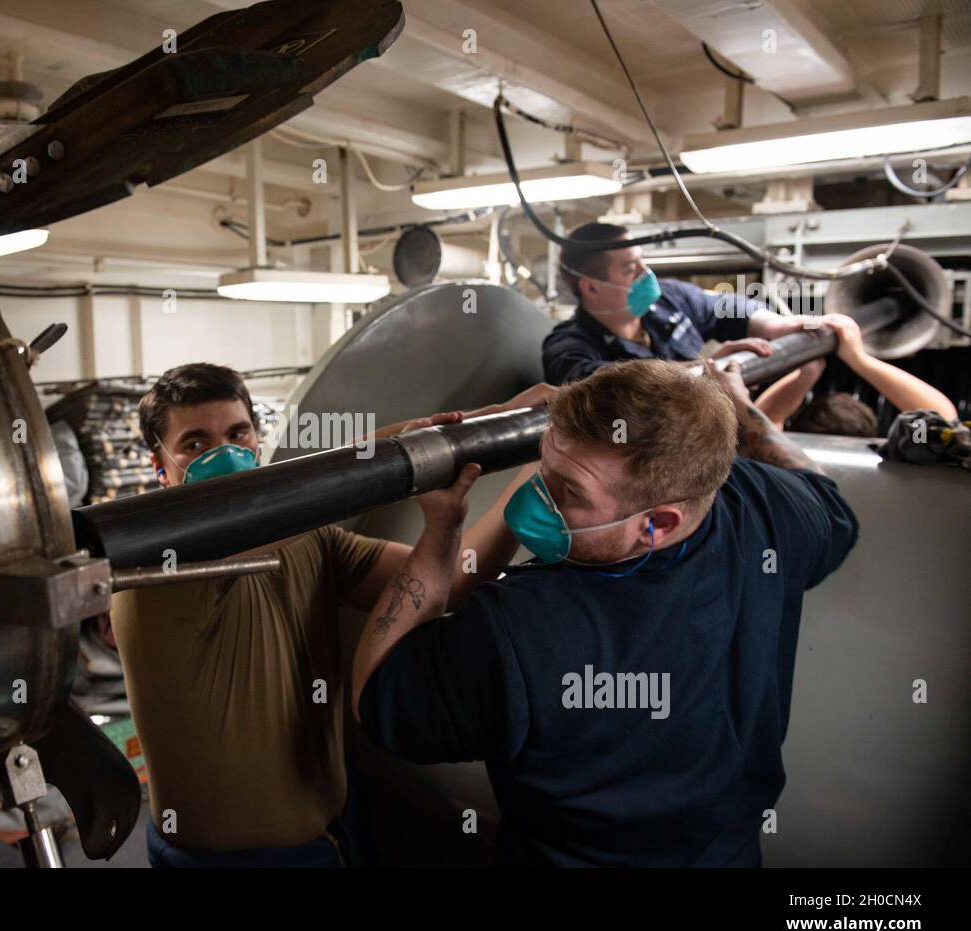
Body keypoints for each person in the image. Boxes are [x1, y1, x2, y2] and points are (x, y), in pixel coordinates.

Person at [351, 358, 860, 866]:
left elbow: (377, 696)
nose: (536, 494)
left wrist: (442, 530)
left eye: (568, 491)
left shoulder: (522, 626)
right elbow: (826, 497)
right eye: (540, 463)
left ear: (657, 522)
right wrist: (744, 410)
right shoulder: (764, 506)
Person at [107, 362, 556, 867]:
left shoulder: (312, 543)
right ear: (158, 467)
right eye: (195, 444)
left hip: (333, 836)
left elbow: (448, 583)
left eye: (237, 433)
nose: (224, 454)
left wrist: (532, 475)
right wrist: (484, 420)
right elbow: (321, 488)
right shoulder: (150, 565)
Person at [542, 222, 812, 385]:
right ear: (590, 287)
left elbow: (727, 306)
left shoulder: (670, 299)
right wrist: (700, 371)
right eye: (630, 268)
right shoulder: (568, 346)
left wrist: (774, 325)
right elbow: (605, 386)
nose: (645, 273)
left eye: (642, 260)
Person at [753, 313, 958, 434]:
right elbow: (943, 423)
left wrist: (806, 373)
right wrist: (859, 360)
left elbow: (761, 422)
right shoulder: (897, 471)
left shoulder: (786, 466)